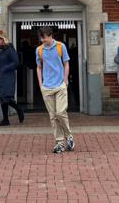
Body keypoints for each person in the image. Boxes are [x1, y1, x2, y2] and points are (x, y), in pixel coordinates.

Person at [36, 26, 74, 154]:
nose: (43, 40)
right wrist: (41, 84)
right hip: (47, 87)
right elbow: (39, 67)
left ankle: (68, 136)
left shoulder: (60, 46)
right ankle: (59, 142)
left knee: (60, 112)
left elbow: (66, 63)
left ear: (50, 35)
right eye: (41, 38)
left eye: (44, 37)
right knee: (53, 117)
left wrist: (65, 81)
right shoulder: (39, 50)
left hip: (60, 85)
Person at [0, 33, 24, 126]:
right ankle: (5, 120)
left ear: (3, 40)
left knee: (6, 96)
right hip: (0, 76)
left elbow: (16, 62)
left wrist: (4, 69)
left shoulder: (10, 49)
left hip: (8, 77)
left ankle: (19, 109)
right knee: (1, 97)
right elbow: (0, 62)